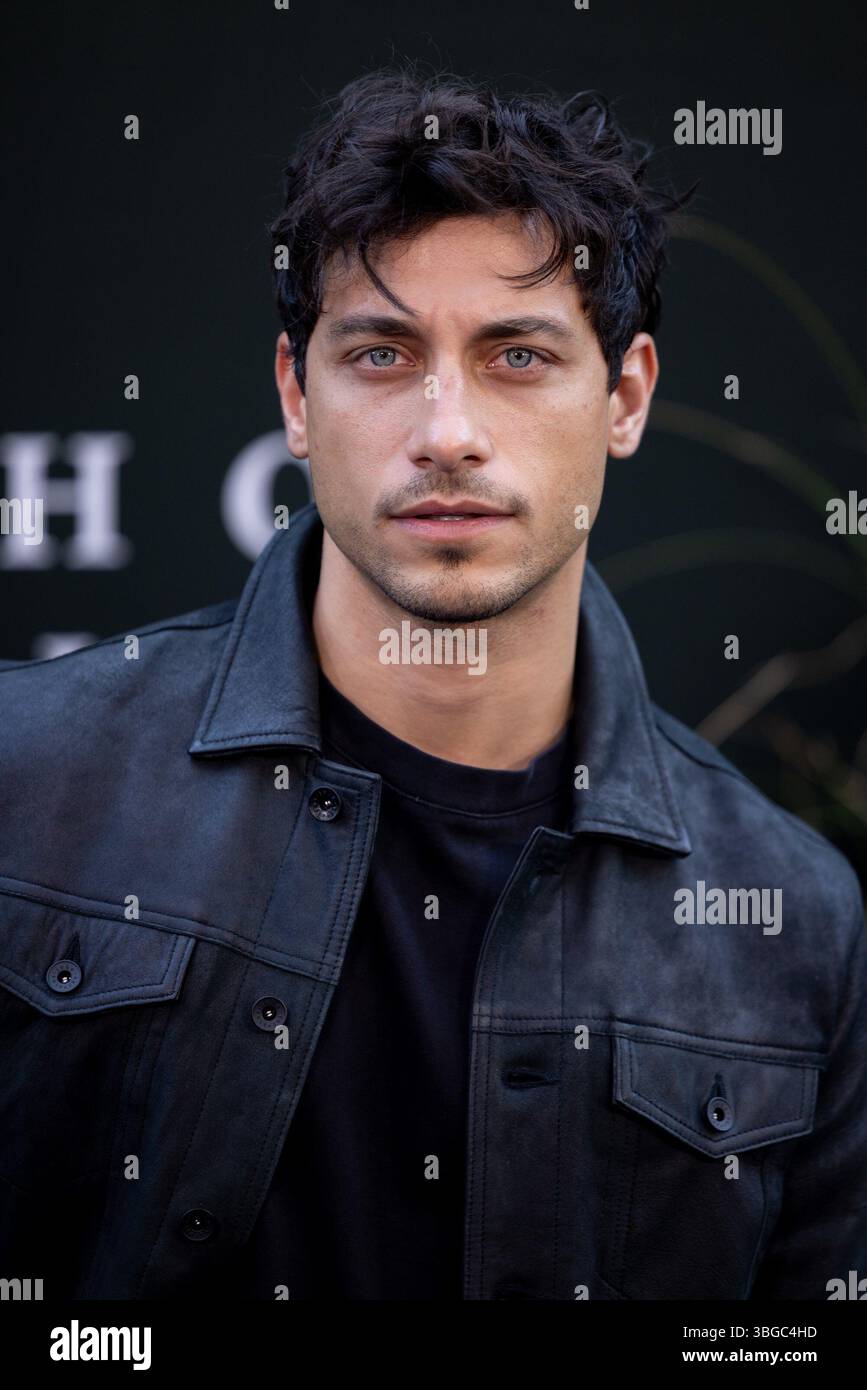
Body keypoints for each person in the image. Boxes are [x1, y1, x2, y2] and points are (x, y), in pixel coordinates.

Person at [0, 65, 864, 1302]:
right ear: (299, 395)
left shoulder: (792, 917)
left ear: (624, 396)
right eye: (382, 352)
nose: (447, 428)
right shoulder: (23, 779)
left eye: (517, 354)